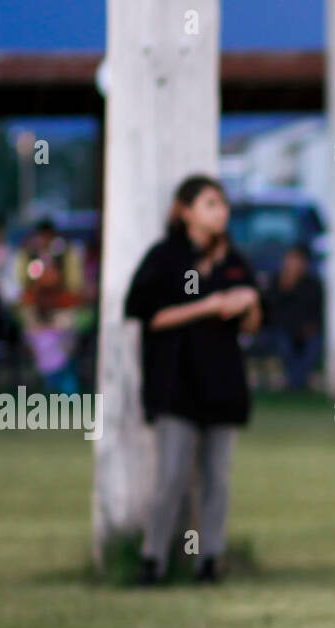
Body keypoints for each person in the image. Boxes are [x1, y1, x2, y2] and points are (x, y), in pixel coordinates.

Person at [124, 174, 262, 585]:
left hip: (222, 382)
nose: (220, 212)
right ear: (185, 211)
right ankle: (153, 560)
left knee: (217, 477)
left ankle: (210, 559)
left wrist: (248, 302)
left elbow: (253, 324)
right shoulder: (164, 258)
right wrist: (209, 304)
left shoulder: (232, 260)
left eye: (222, 204)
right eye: (209, 204)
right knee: (171, 476)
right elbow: (149, 314)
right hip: (176, 383)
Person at [16, 218, 84, 395]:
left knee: (66, 329)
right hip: (37, 311)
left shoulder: (66, 254)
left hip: (61, 309)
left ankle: (63, 384)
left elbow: (74, 287)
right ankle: (48, 384)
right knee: (33, 329)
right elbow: (22, 288)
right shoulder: (29, 255)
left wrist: (54, 286)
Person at [267, 244, 323, 389]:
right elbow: (271, 310)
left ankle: (295, 383)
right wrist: (286, 286)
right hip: (281, 331)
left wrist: (310, 327)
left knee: (314, 344)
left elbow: (316, 314)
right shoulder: (276, 282)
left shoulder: (312, 285)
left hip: (306, 332)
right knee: (283, 343)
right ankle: (298, 383)